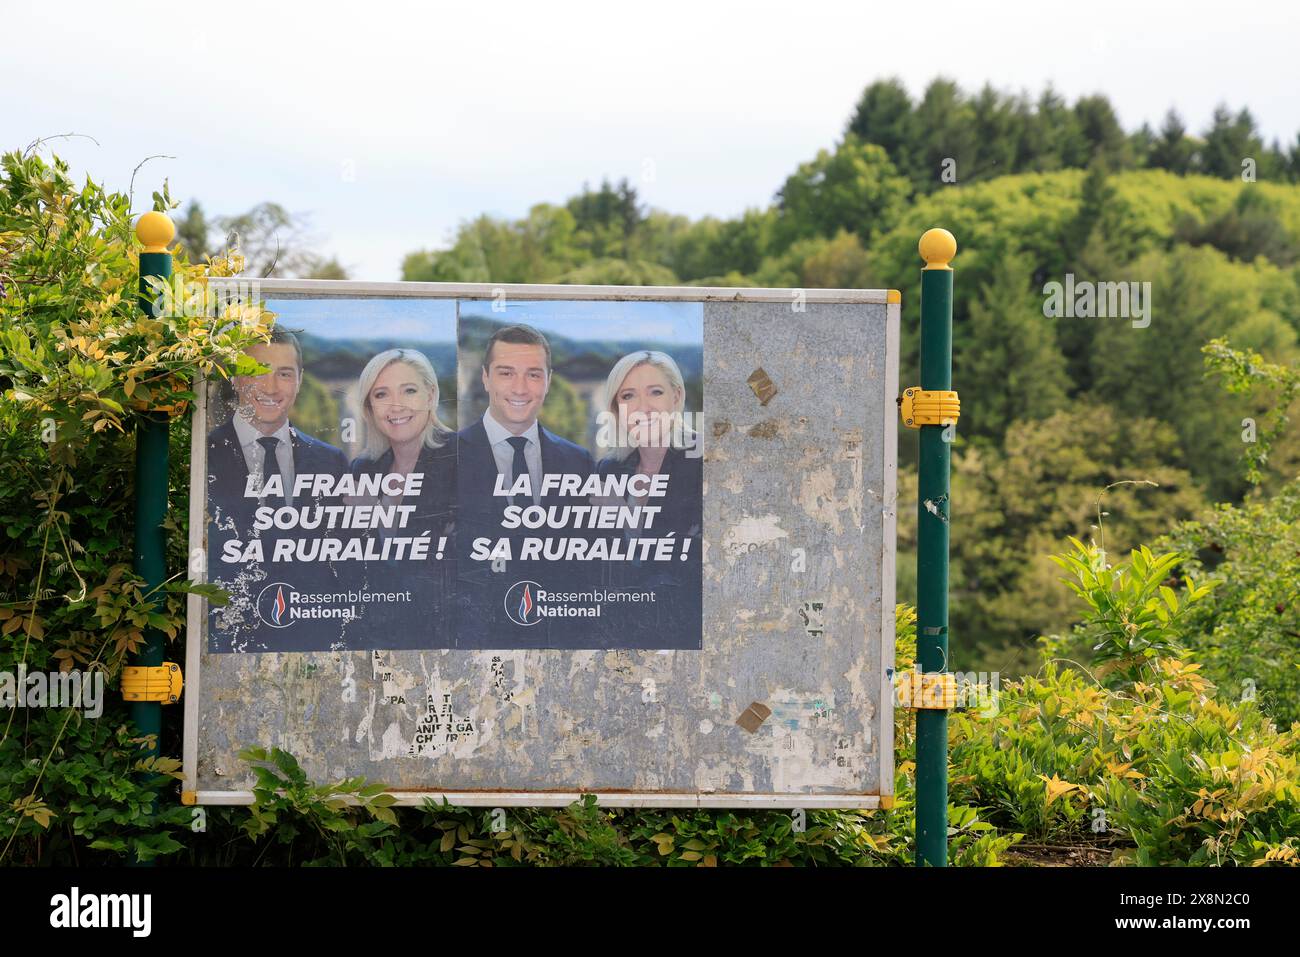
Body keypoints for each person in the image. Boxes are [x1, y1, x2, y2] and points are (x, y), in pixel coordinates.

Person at [205, 327, 349, 652]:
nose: (271, 387)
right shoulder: (204, 455)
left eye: (284, 373)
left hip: (313, 637)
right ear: (236, 378)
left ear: (299, 380)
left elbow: (340, 557)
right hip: (225, 636)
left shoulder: (331, 461)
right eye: (258, 372)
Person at [455, 324, 595, 647]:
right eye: (506, 373)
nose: (520, 388)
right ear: (486, 378)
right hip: (472, 642)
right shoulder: (447, 458)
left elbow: (585, 568)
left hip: (557, 642)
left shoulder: (578, 462)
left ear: (548, 380)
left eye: (533, 374)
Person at [347, 349, 456, 648]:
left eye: (409, 391)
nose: (396, 405)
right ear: (370, 407)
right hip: (379, 630)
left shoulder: (465, 458)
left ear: (431, 396)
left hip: (445, 631)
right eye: (381, 394)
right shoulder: (363, 468)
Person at [593, 350, 702, 648]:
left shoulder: (707, 462)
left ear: (676, 398)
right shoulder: (609, 469)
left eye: (655, 392)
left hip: (688, 630)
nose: (643, 408)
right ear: (616, 408)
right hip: (623, 630)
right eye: (628, 396)